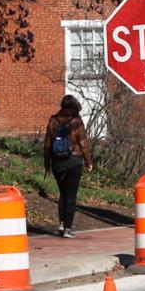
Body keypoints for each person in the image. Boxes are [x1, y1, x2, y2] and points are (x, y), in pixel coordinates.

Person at [43, 95, 94, 238]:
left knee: (63, 194)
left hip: (57, 162)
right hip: (74, 161)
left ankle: (61, 224)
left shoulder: (53, 120)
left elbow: (47, 143)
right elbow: (83, 144)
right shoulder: (76, 121)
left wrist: (47, 163)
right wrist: (88, 162)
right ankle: (68, 229)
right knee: (71, 196)